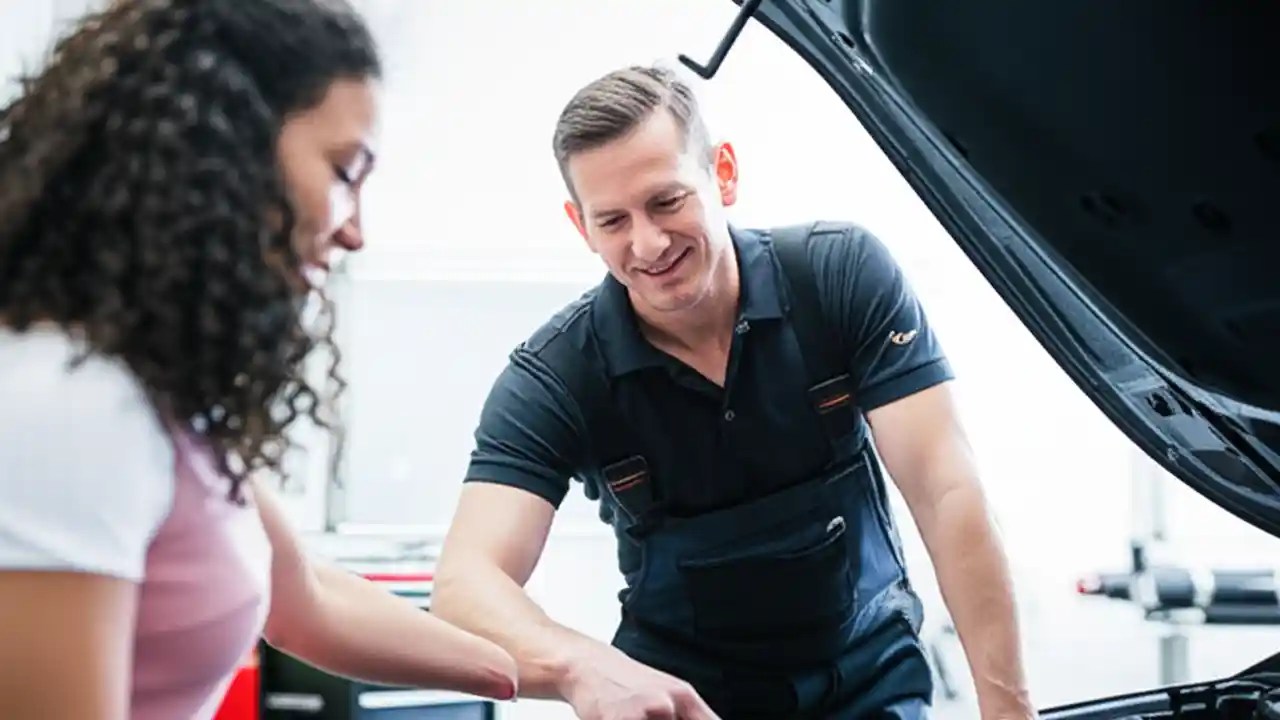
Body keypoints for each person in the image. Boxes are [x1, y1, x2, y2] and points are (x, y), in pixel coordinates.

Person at [432, 63, 1037, 720]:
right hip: (686, 706)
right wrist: (589, 669)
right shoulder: (558, 376)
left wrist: (1007, 708)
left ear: (722, 173)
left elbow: (946, 493)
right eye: (613, 221)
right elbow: (466, 585)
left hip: (872, 689)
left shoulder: (838, 280)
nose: (649, 243)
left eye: (667, 201)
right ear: (582, 227)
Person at [0, 1, 519, 718]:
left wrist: (570, 671)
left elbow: (304, 596)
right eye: (345, 171)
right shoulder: (68, 402)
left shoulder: (156, 391)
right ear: (222, 154)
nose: (356, 232)